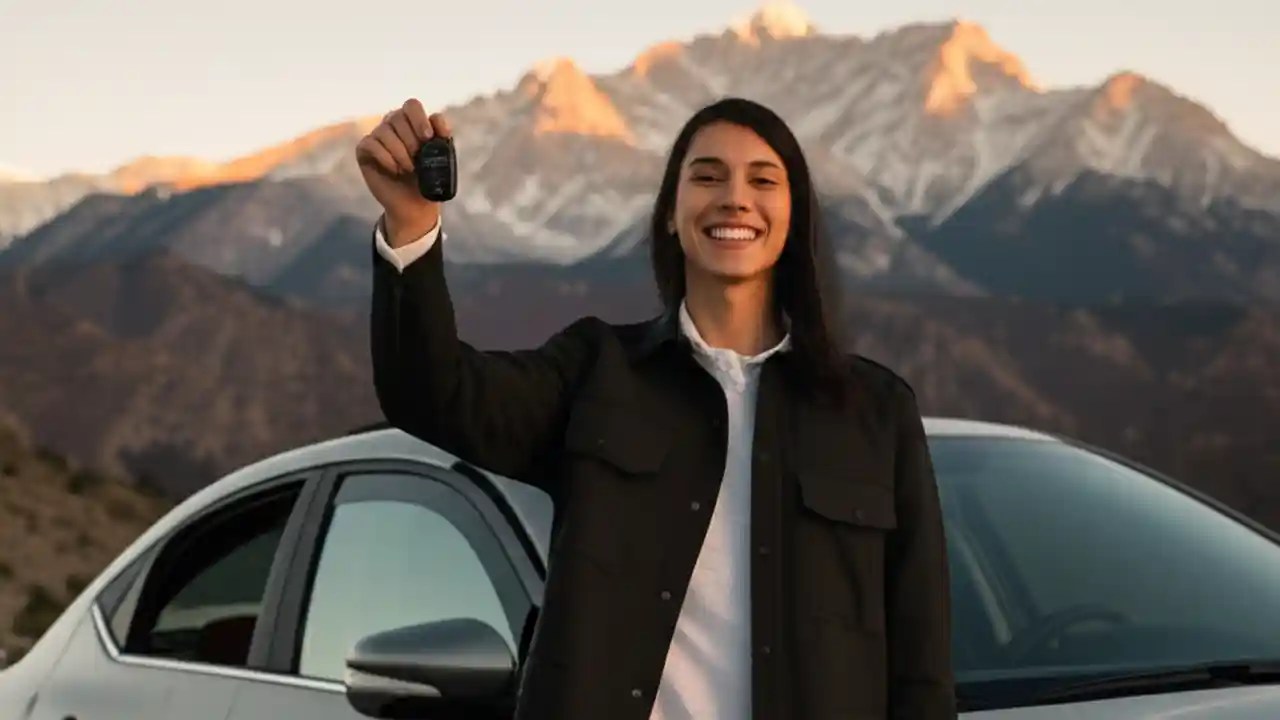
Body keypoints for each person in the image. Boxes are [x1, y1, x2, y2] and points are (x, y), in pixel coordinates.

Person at [357, 95, 955, 720]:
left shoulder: (876, 413)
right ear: (671, 213)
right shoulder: (597, 373)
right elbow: (431, 393)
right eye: (706, 176)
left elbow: (922, 667)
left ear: (792, 214)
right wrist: (411, 221)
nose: (734, 197)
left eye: (763, 180)